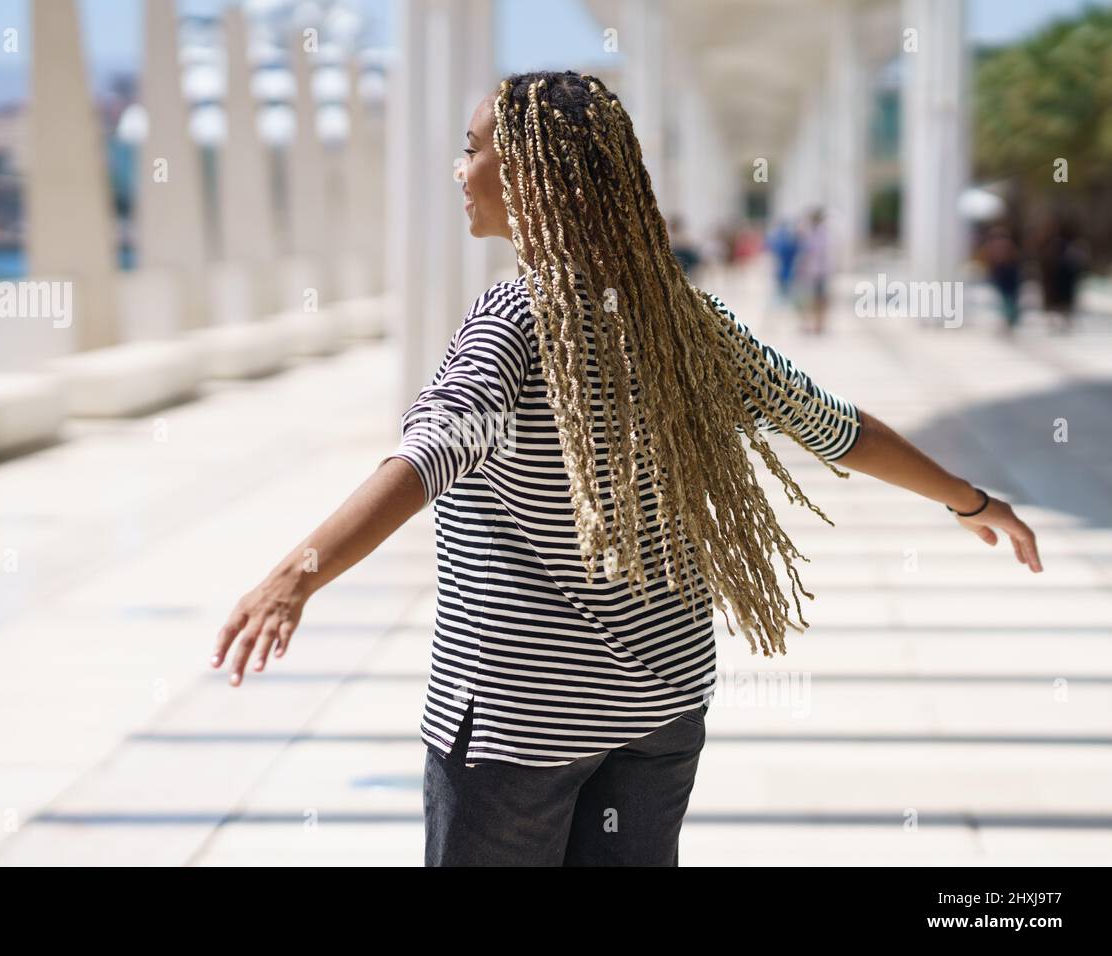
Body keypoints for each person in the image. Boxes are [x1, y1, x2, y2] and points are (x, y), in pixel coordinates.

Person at [210, 70, 1044, 867]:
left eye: (473, 149)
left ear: (539, 174)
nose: (460, 171)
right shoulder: (684, 318)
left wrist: (295, 576)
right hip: (660, 700)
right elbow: (832, 427)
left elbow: (433, 452)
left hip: (521, 717)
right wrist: (970, 503)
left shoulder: (517, 312)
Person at [982, 222, 1022, 335]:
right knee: (1006, 297)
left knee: (1009, 297)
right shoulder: (1001, 244)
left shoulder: (1003, 244)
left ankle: (1011, 318)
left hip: (1008, 272)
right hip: (1003, 272)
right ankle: (1009, 318)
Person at [796, 208, 829, 334]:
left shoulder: (822, 233)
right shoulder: (808, 233)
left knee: (819, 300)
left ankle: (818, 324)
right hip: (810, 272)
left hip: (819, 272)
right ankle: (810, 324)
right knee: (808, 300)